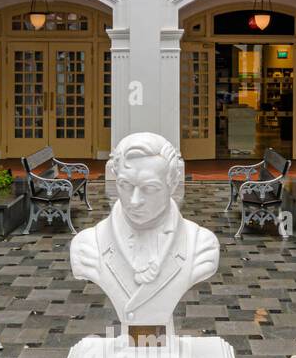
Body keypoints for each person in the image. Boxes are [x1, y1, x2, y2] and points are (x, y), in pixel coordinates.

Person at [70, 132, 219, 336]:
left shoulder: (201, 246)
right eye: (125, 185)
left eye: (149, 188)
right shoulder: (87, 246)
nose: (134, 200)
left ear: (173, 184)